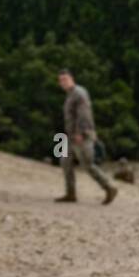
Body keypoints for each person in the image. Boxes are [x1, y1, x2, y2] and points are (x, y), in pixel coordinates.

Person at [55, 68, 116, 205]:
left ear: (72, 79)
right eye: (60, 80)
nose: (62, 83)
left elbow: (84, 114)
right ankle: (70, 194)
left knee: (87, 165)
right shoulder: (70, 95)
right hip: (70, 136)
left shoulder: (79, 93)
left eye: (65, 79)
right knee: (65, 161)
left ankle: (109, 187)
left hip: (82, 135)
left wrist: (81, 132)